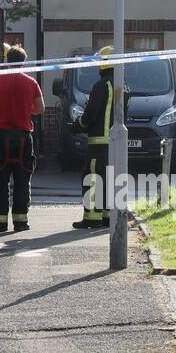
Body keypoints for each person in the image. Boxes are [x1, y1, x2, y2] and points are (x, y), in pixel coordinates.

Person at [0, 46, 44, 233]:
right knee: (22, 179)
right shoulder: (31, 82)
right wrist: (24, 111)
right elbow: (40, 108)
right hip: (23, 137)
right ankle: (21, 222)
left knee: (0, 179)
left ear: (6, 60)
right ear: (23, 61)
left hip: (2, 136)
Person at [74, 46, 116, 229]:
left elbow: (91, 113)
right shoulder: (124, 85)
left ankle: (92, 217)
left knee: (92, 178)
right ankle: (107, 216)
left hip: (99, 144)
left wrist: (78, 125)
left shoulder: (102, 85)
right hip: (115, 146)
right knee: (108, 180)